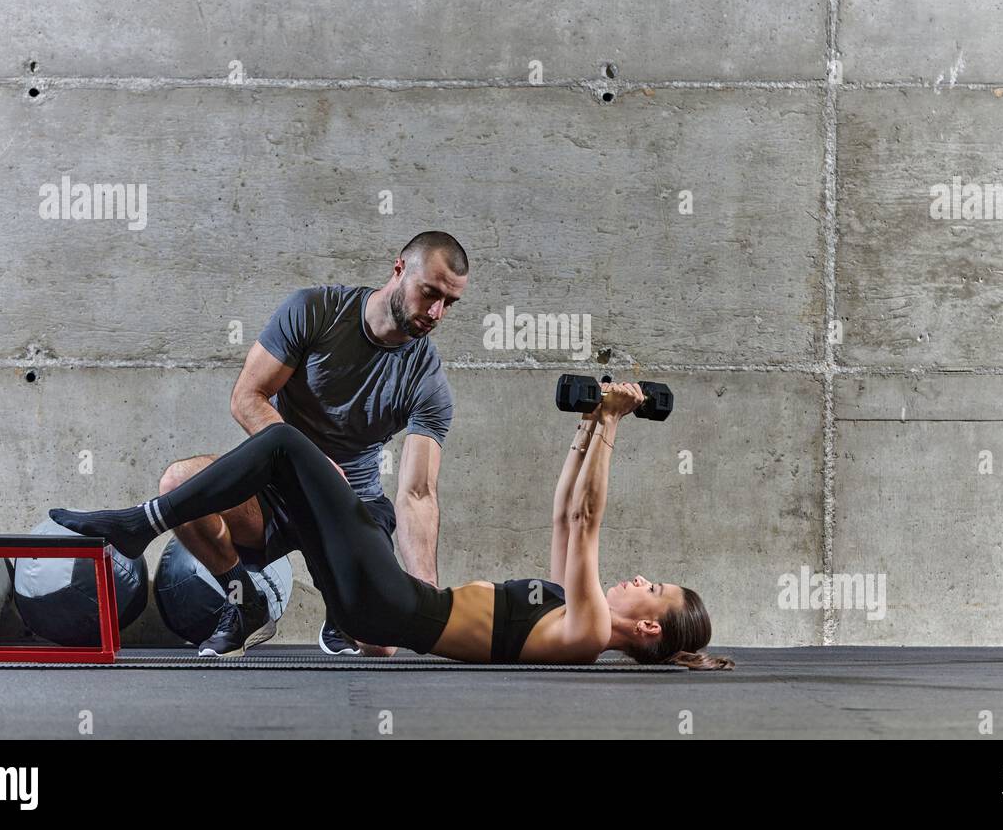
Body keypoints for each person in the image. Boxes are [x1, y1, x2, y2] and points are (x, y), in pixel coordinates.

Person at [50, 383, 732, 669]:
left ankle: (142, 525)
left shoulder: (584, 632)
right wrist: (588, 423)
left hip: (391, 603)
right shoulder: (568, 612)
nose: (642, 578)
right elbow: (563, 510)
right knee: (296, 469)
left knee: (288, 447)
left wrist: (613, 421)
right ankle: (226, 573)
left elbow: (587, 521)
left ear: (648, 627)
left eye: (656, 588)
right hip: (380, 600)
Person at [156, 231, 466, 656]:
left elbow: (417, 492)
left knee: (382, 646)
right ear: (398, 269)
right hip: (275, 493)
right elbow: (247, 398)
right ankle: (245, 605)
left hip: (353, 506)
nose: (436, 313)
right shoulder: (315, 311)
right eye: (429, 293)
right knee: (179, 485)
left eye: (449, 303)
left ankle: (341, 610)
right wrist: (310, 462)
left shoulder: (427, 380)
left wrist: (427, 596)